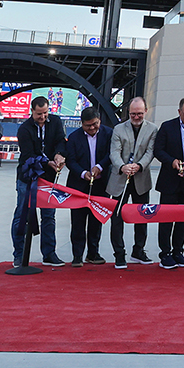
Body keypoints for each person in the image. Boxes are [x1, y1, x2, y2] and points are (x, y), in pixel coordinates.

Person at [12, 95, 68, 267]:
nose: (42, 117)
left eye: (45, 113)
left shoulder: (57, 122)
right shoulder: (24, 129)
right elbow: (28, 154)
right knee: (22, 215)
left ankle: (49, 253)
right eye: (38, 114)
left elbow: (61, 141)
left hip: (50, 178)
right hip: (28, 177)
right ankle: (19, 255)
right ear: (32, 111)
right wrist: (47, 161)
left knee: (49, 216)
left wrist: (59, 154)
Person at [107, 96, 158, 269]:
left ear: (145, 112)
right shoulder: (118, 129)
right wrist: (123, 167)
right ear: (128, 113)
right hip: (120, 178)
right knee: (116, 218)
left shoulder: (152, 129)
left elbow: (151, 152)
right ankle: (119, 254)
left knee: (142, 216)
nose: (136, 117)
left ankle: (139, 250)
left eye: (139, 114)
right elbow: (114, 152)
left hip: (141, 178)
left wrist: (139, 165)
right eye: (133, 114)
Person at [153, 97, 184, 269]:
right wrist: (171, 161)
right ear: (179, 112)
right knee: (166, 218)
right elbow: (158, 150)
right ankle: (165, 254)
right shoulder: (167, 127)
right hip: (169, 180)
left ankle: (178, 251)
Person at [65, 107, 112, 266]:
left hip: (100, 185)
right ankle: (77, 256)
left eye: (95, 124)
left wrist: (100, 166)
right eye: (88, 125)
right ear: (82, 124)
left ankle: (93, 253)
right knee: (77, 222)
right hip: (78, 186)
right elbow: (71, 161)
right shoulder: (73, 137)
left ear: (99, 120)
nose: (92, 128)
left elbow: (110, 155)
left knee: (96, 221)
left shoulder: (109, 134)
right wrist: (83, 172)